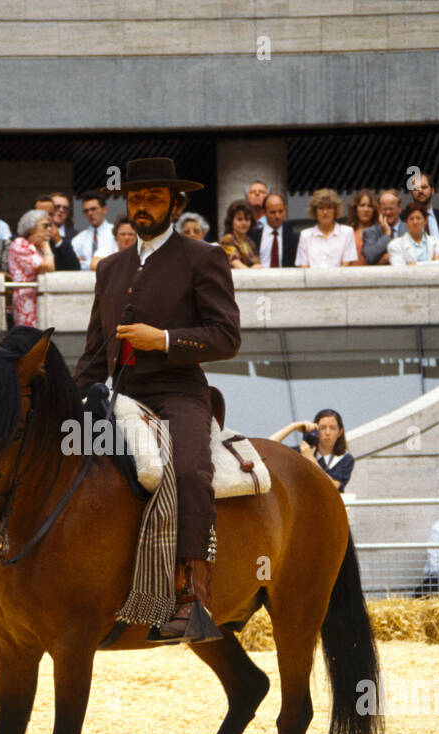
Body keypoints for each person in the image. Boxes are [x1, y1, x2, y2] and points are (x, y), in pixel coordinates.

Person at [73, 157, 241, 642]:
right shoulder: (109, 268)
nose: (142, 206)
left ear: (175, 203)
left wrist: (162, 339)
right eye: (136, 197)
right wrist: (72, 403)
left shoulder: (203, 257)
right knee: (67, 454)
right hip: (118, 390)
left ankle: (192, 594)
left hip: (179, 391)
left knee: (189, 469)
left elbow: (226, 338)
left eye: (153, 198)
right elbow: (93, 352)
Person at [269, 409, 354, 492]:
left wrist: (310, 458)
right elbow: (266, 446)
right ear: (316, 430)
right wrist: (293, 426)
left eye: (332, 428)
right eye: (323, 428)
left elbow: (332, 487)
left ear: (340, 432)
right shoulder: (301, 451)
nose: (327, 433)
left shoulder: (345, 459)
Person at [8, 209, 54, 327]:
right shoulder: (20, 244)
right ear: (32, 228)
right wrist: (46, 245)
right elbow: (48, 267)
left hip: (41, 298)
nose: (50, 229)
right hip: (26, 301)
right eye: (45, 226)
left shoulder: (37, 247)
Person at [293, 189, 355, 268]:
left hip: (340, 279)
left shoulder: (347, 232)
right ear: (315, 211)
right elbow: (303, 266)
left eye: (329, 208)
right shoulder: (305, 235)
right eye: (321, 208)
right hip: (312, 279)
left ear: (335, 210)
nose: (325, 212)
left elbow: (347, 263)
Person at [250, 192, 299, 268]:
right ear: (264, 212)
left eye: (280, 211)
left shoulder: (294, 237)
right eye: (272, 212)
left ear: (285, 210)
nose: (277, 216)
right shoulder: (252, 236)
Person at [73, 191, 116, 270]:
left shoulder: (115, 233)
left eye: (93, 209)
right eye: (86, 211)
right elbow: (75, 263)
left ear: (104, 209)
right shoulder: (79, 238)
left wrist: (85, 263)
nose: (90, 213)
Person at [345, 189, 388, 266]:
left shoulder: (381, 232)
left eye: (370, 206)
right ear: (356, 208)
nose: (366, 209)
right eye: (362, 205)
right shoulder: (347, 231)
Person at [406, 172, 439, 239]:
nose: (420, 191)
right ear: (411, 192)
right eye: (416, 188)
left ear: (432, 190)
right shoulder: (403, 218)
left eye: (424, 187)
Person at [362, 188, 406, 264]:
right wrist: (387, 234)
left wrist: (390, 257)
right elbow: (369, 256)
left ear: (399, 208)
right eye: (384, 209)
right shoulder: (370, 232)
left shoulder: (410, 229)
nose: (388, 212)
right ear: (378, 209)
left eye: (391, 208)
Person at [218, 200, 262, 269]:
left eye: (247, 219)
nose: (244, 223)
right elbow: (236, 264)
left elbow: (258, 265)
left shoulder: (249, 242)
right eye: (239, 219)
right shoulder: (227, 240)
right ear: (231, 221)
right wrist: (253, 270)